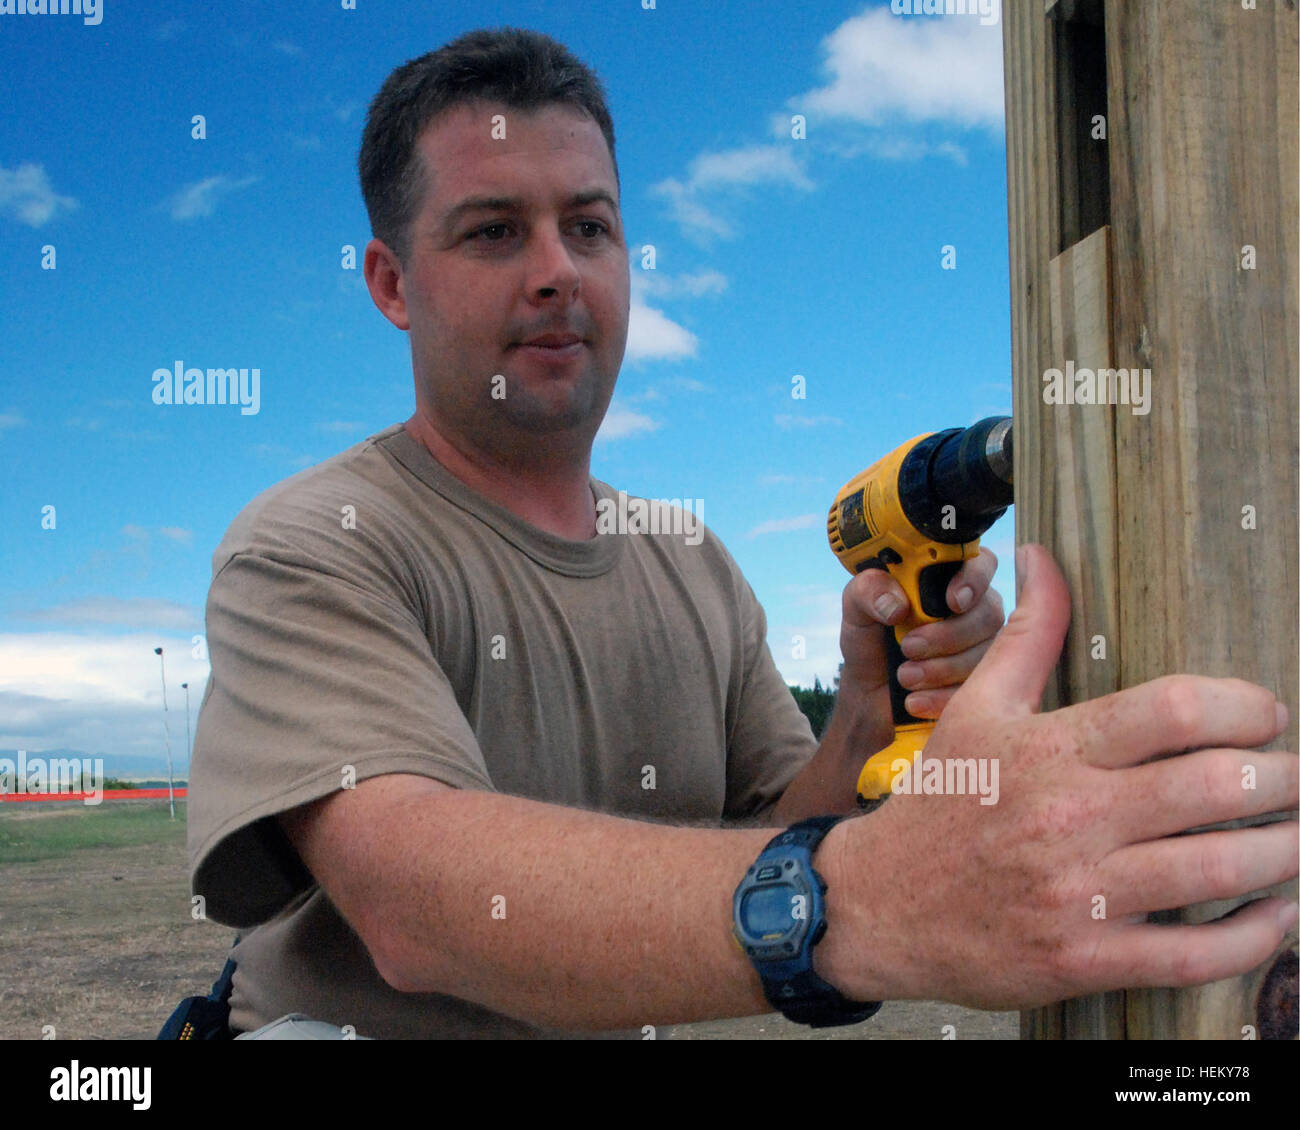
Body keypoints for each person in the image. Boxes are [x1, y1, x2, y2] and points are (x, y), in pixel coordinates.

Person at [184, 27, 1298, 1039]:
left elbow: (783, 829)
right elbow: (413, 904)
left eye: (589, 227)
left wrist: (866, 717)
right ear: (391, 284)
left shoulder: (691, 560)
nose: (557, 271)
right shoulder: (314, 544)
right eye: (493, 232)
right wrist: (869, 902)